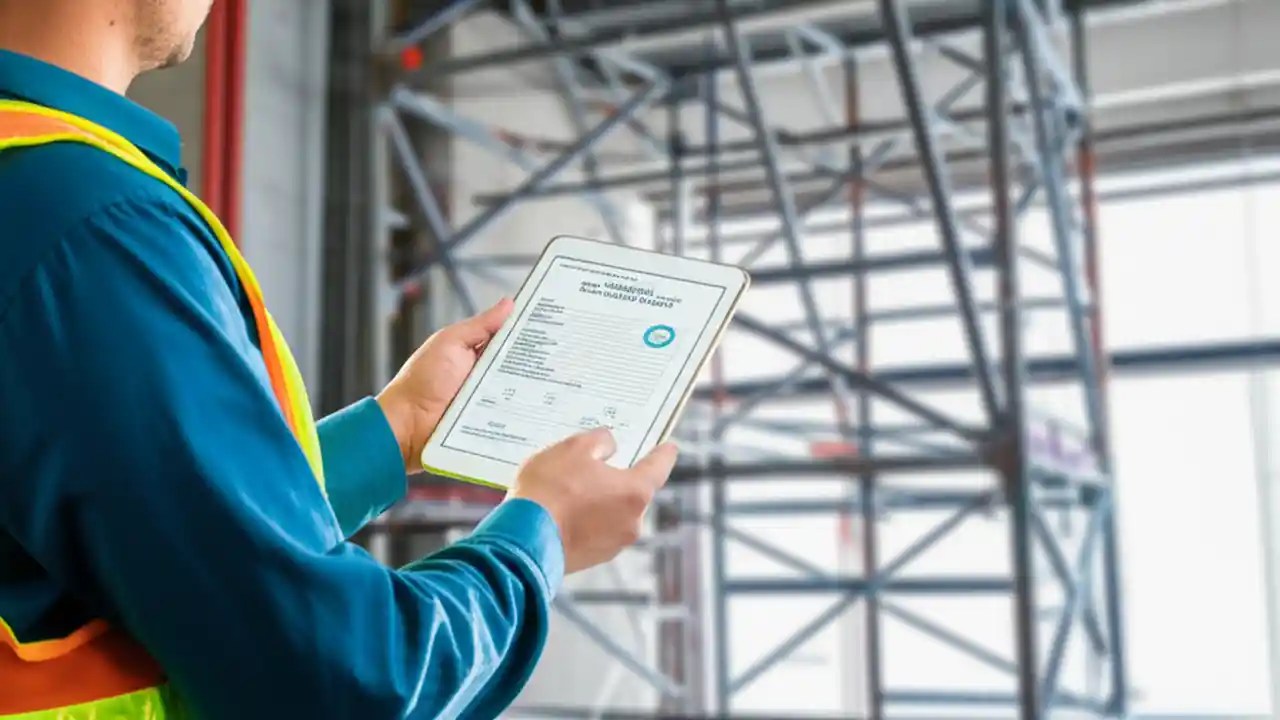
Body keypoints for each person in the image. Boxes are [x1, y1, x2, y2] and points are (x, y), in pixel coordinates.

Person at [0, 1, 678, 718]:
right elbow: (337, 683)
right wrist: (542, 537)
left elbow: (174, 543)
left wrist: (394, 430)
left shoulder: (41, 192)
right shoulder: (92, 228)